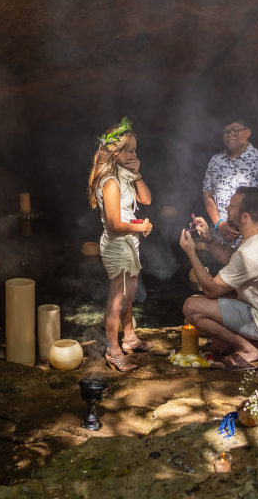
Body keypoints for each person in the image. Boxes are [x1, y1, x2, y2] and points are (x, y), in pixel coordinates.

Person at [180, 186, 258, 371]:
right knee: (218, 347)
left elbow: (211, 290)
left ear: (245, 216)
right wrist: (210, 240)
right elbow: (232, 259)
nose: (227, 209)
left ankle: (248, 351)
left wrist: (191, 252)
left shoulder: (251, 254)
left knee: (191, 307)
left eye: (232, 206)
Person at [88, 117, 154, 372]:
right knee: (117, 299)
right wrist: (142, 226)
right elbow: (115, 224)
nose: (135, 154)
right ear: (117, 152)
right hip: (117, 246)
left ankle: (130, 338)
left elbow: (146, 199)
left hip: (130, 244)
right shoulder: (111, 182)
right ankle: (113, 350)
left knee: (129, 295)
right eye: (131, 150)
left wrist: (137, 173)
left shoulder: (125, 176)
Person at [202, 118, 258, 248]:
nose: (230, 134)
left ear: (247, 133)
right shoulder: (215, 160)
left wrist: (239, 226)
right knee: (213, 268)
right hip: (218, 237)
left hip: (248, 240)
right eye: (226, 132)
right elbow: (207, 194)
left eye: (235, 130)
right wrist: (218, 223)